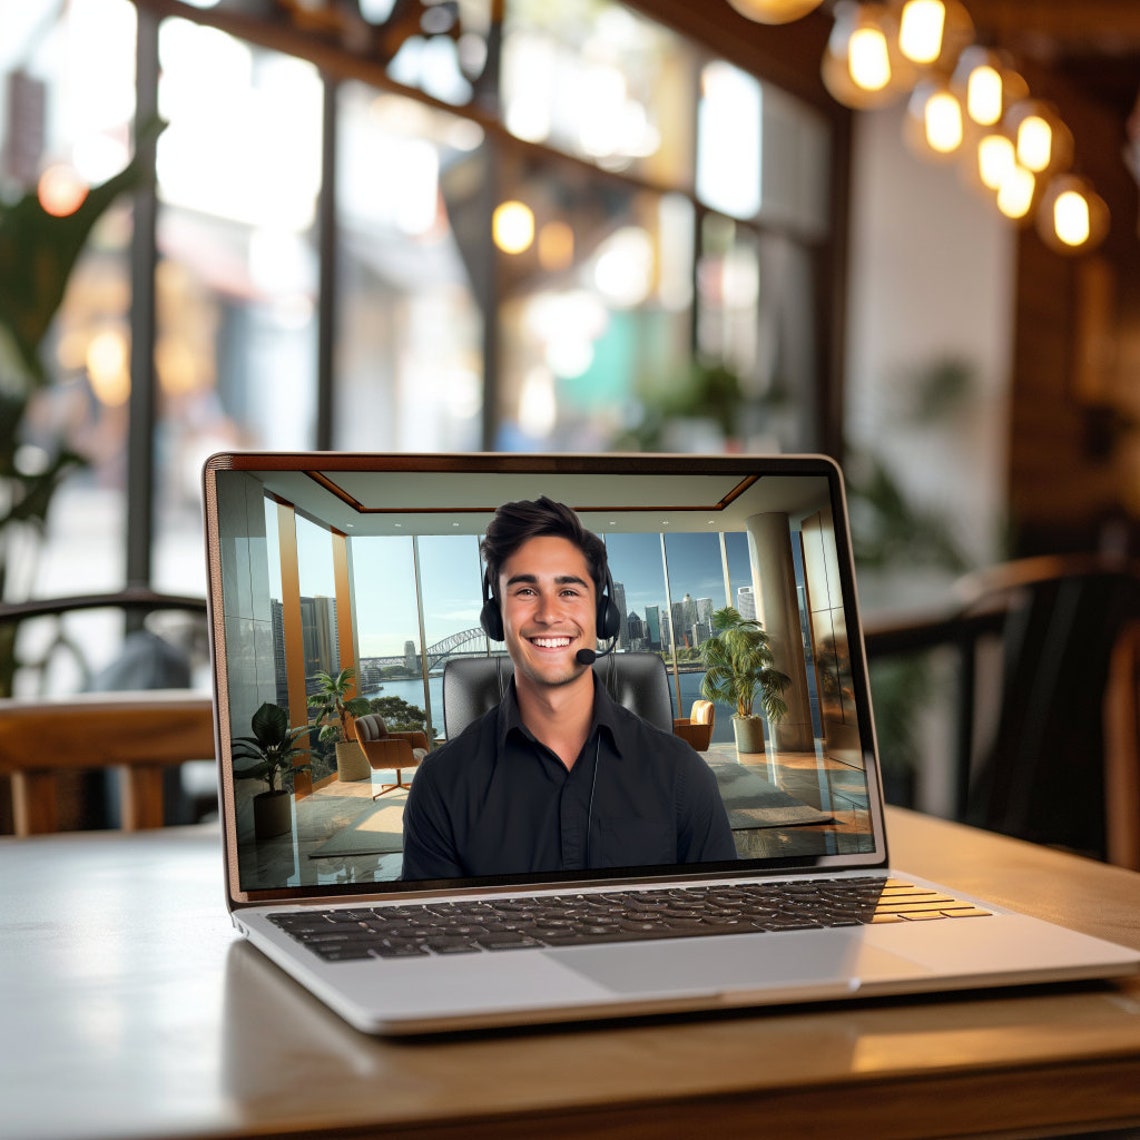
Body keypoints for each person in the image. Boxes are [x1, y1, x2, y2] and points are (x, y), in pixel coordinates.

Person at [400, 496, 737, 881]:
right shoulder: (442, 785)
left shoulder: (682, 775)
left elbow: (720, 930)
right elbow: (438, 937)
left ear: (603, 614)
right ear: (495, 617)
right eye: (525, 591)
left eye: (569, 591)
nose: (547, 614)